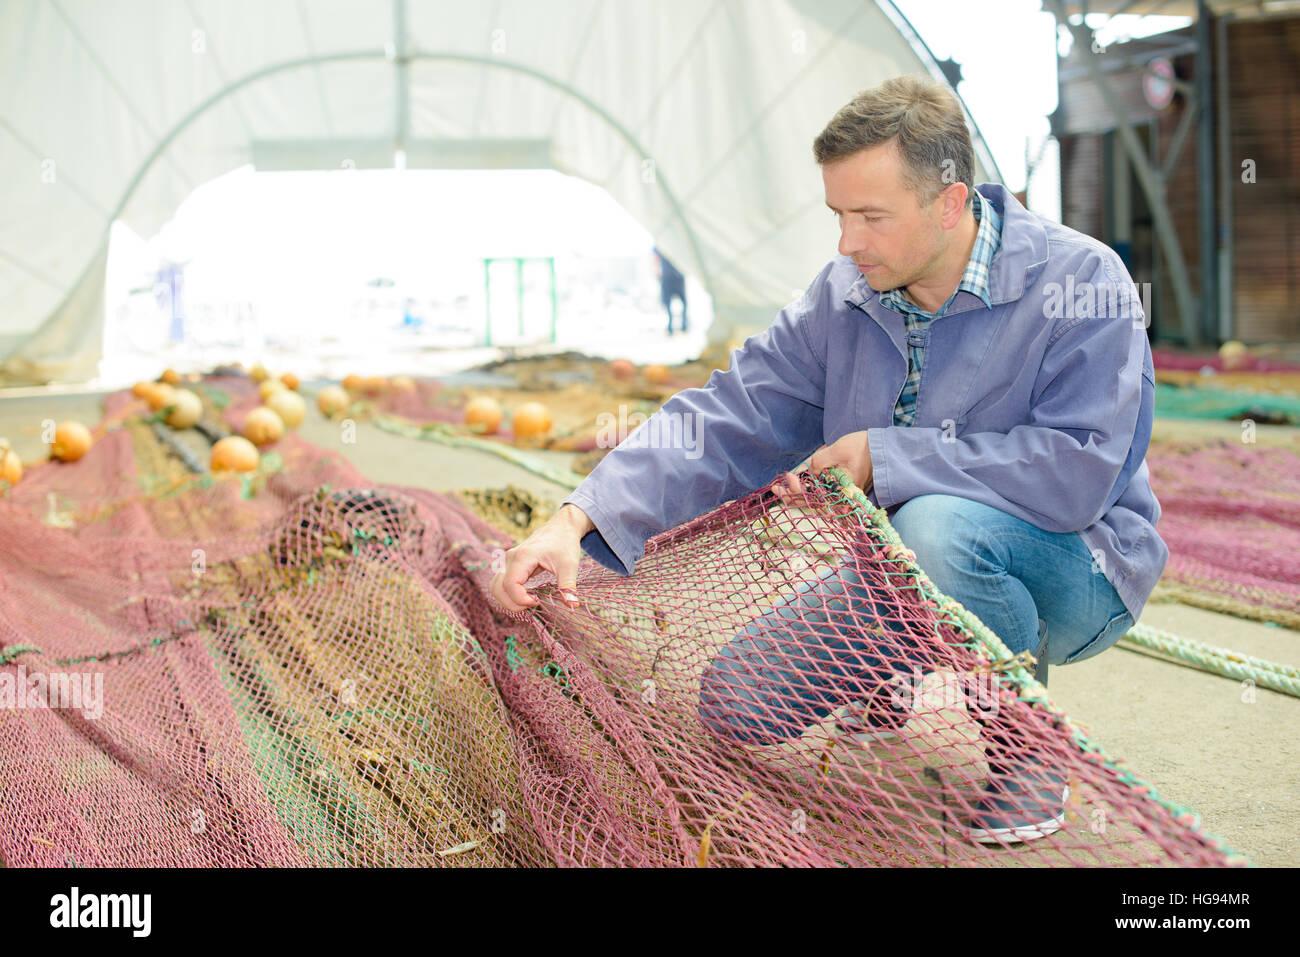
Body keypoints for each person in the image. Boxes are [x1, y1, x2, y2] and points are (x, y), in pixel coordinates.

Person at [490, 75, 1166, 845]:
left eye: (871, 216)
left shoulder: (1083, 282)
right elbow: (726, 416)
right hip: (906, 564)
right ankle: (902, 661)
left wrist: (890, 454)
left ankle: (1023, 741)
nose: (847, 243)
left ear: (950, 203)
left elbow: (1075, 473)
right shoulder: (845, 293)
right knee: (737, 702)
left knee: (942, 529)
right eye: (839, 215)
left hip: (1077, 569)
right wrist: (574, 518)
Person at [653, 247, 688, 335]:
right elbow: (656, 257)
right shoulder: (677, 242)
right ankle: (676, 325)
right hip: (674, 274)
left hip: (671, 275)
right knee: (671, 302)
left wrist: (657, 272)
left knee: (678, 302)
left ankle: (680, 325)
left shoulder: (663, 240)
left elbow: (656, 257)